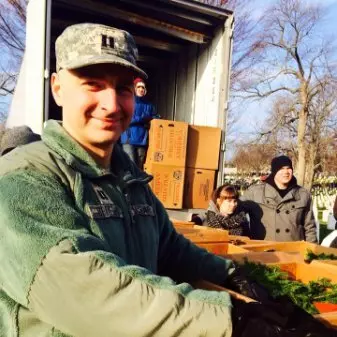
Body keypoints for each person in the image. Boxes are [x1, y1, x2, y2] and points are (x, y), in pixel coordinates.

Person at [0, 23, 332, 337]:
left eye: (123, 88)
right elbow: (84, 289)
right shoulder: (25, 178)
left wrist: (233, 275)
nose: (111, 103)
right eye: (92, 84)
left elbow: (171, 249)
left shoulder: (132, 184)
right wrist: (234, 319)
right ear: (57, 87)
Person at [241, 155, 317, 242]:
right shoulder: (255, 192)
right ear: (274, 171)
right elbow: (236, 211)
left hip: (294, 250)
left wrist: (313, 250)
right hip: (264, 251)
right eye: (281, 168)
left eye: (288, 168)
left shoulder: (303, 194)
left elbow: (310, 227)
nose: (286, 172)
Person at [120, 77, 158, 169]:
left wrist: (152, 119)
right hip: (128, 139)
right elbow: (126, 119)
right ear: (134, 88)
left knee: (139, 167)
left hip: (142, 140)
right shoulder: (127, 101)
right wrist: (143, 119)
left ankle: (137, 183)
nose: (141, 89)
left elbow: (156, 117)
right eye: (139, 87)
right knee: (130, 165)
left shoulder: (149, 105)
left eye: (143, 88)